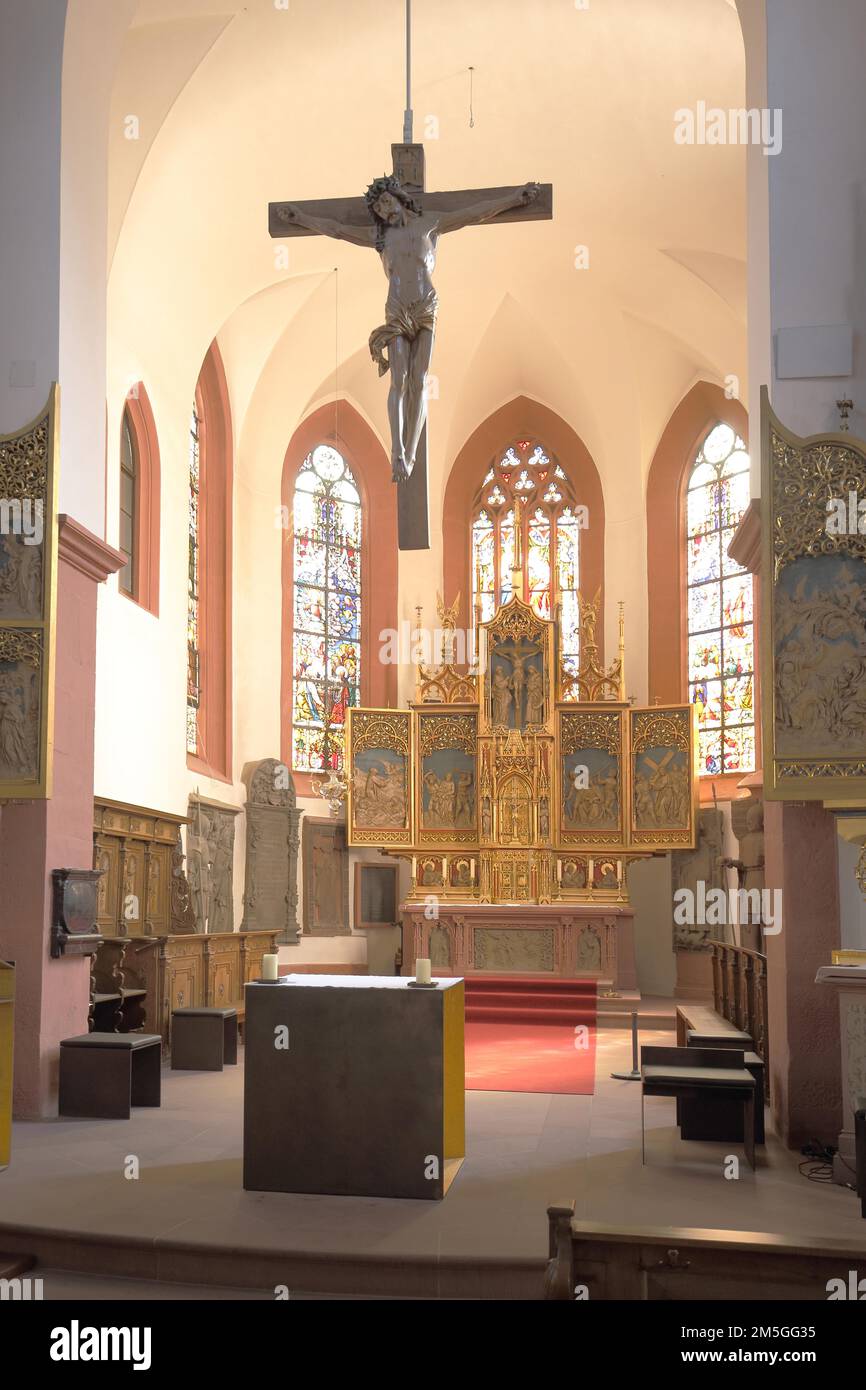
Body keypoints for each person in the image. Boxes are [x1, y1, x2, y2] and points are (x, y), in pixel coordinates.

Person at [278, 178, 540, 481]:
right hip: (397, 308)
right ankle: (398, 449)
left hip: (426, 305)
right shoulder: (379, 237)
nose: (383, 210)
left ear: (399, 197)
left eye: (386, 202)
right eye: (377, 207)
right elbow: (337, 229)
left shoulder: (430, 223)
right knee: (398, 380)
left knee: (419, 379)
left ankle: (411, 452)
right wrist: (301, 218)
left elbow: (475, 212)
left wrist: (514, 199)